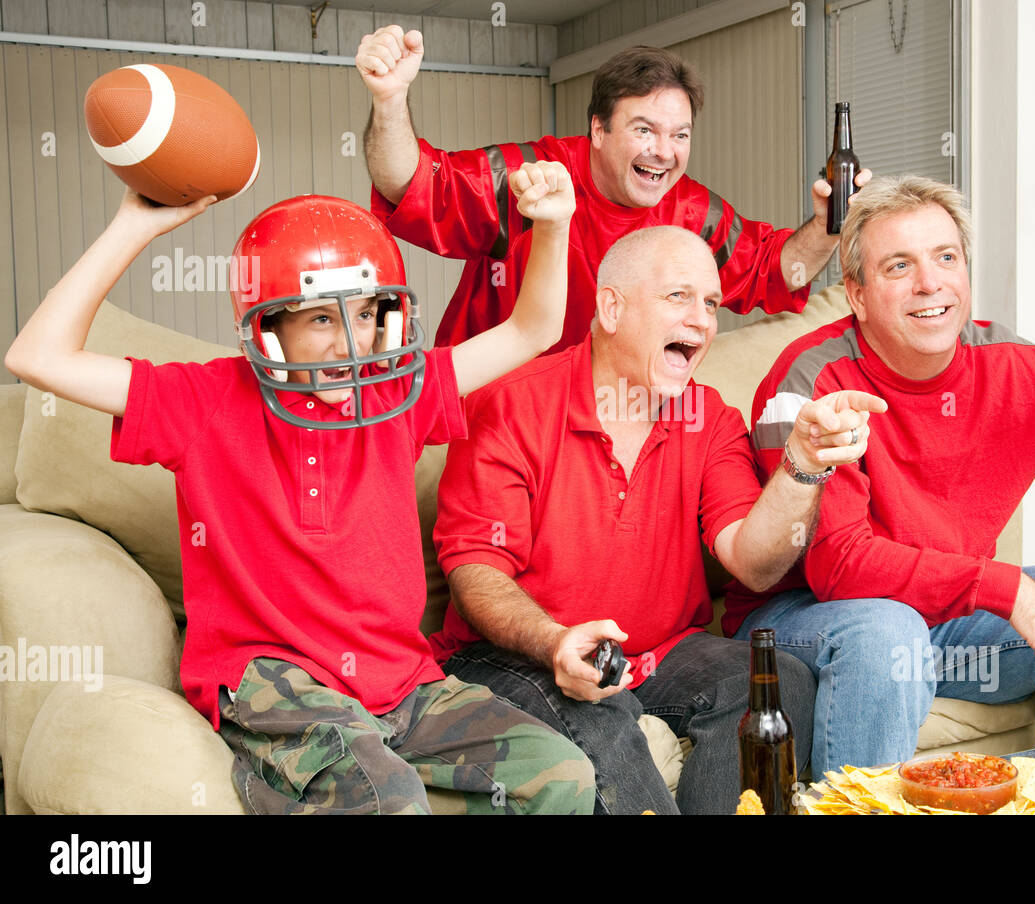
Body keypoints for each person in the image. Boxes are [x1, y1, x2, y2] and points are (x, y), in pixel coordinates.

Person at [4, 161, 599, 815]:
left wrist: (553, 225)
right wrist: (132, 225)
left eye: (368, 313)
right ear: (268, 326)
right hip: (272, 678)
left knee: (564, 775)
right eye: (321, 320)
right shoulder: (202, 400)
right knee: (387, 798)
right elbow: (37, 356)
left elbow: (533, 329)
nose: (352, 342)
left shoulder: (398, 391)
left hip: (398, 680)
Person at [728, 175, 1035, 776]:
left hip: (942, 620)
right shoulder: (809, 383)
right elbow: (842, 566)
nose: (931, 282)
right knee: (887, 631)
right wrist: (1008, 590)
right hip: (806, 620)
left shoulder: (1017, 367)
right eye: (899, 266)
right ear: (857, 293)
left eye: (946, 257)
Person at [429, 225, 887, 814]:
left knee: (778, 682)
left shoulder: (710, 418)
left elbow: (754, 563)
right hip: (516, 654)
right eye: (678, 296)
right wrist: (556, 642)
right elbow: (476, 576)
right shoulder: (512, 406)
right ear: (611, 307)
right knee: (601, 710)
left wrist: (802, 466)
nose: (701, 320)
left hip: (660, 651)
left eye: (712, 303)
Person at [356, 25, 868, 352]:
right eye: (644, 130)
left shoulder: (690, 209)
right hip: (490, 421)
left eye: (680, 135)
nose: (664, 151)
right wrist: (389, 100)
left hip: (611, 430)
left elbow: (775, 271)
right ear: (597, 130)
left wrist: (827, 223)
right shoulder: (531, 174)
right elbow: (410, 181)